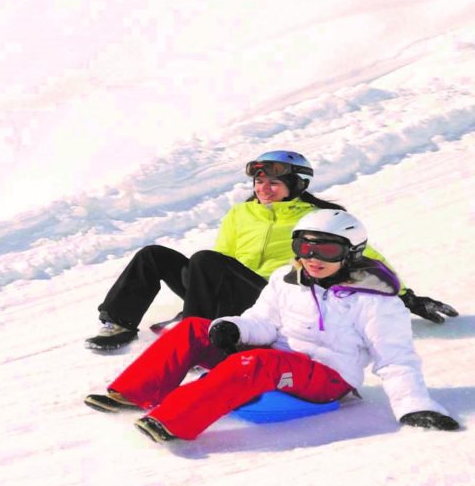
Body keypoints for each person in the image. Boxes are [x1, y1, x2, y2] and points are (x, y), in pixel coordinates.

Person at [86, 210, 462, 441]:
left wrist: (413, 406)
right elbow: (262, 321)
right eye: (304, 246)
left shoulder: (376, 300)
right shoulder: (287, 278)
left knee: (255, 364)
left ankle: (172, 420)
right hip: (278, 358)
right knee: (194, 327)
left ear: (352, 253)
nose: (311, 258)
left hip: (328, 378)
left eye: (326, 250)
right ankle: (133, 393)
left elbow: (395, 359)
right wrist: (234, 328)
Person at [87, 150, 456, 351]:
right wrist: (204, 285)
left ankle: (195, 334)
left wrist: (409, 298)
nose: (263, 187)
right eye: (259, 180)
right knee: (156, 254)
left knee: (205, 260)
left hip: (267, 293)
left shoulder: (319, 217)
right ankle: (118, 322)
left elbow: (367, 257)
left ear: (297, 184)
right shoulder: (240, 212)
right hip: (223, 285)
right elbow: (221, 258)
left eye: (274, 181)